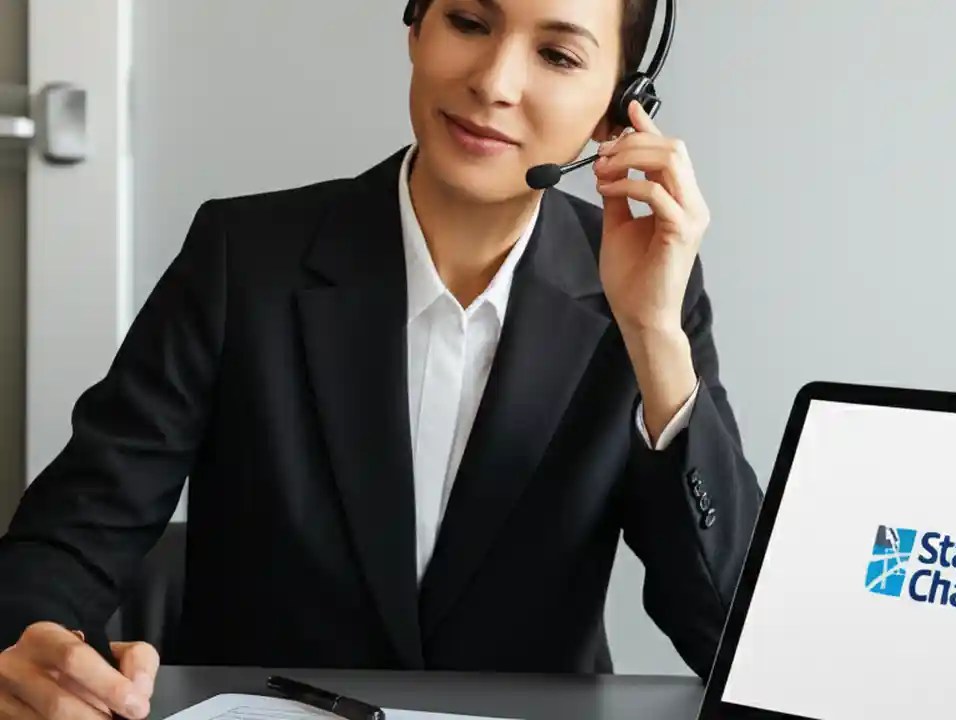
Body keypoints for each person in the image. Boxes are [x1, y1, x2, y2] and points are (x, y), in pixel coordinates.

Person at [0, 0, 762, 718]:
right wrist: (31, 641)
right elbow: (68, 540)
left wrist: (655, 333)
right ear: (415, 27)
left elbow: (733, 635)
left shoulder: (643, 292)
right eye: (467, 21)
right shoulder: (244, 258)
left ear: (617, 108)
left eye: (558, 54)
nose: (494, 84)